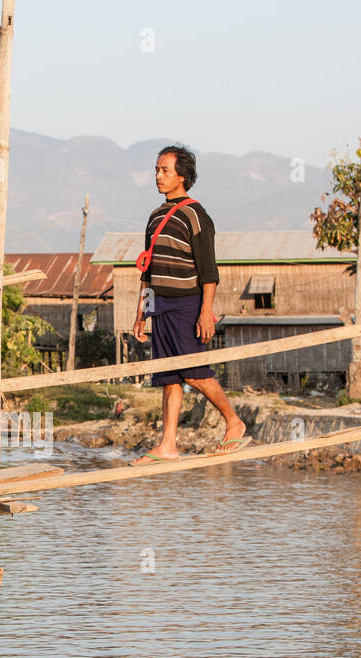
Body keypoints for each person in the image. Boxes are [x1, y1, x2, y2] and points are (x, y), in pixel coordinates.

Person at [130, 145, 248, 465]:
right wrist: (141, 314)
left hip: (187, 304)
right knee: (168, 376)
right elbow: (147, 272)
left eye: (165, 170)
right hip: (160, 307)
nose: (158, 175)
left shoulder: (196, 214)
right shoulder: (154, 218)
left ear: (182, 176)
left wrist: (205, 313)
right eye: (157, 170)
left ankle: (233, 421)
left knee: (194, 372)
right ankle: (168, 444)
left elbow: (209, 271)